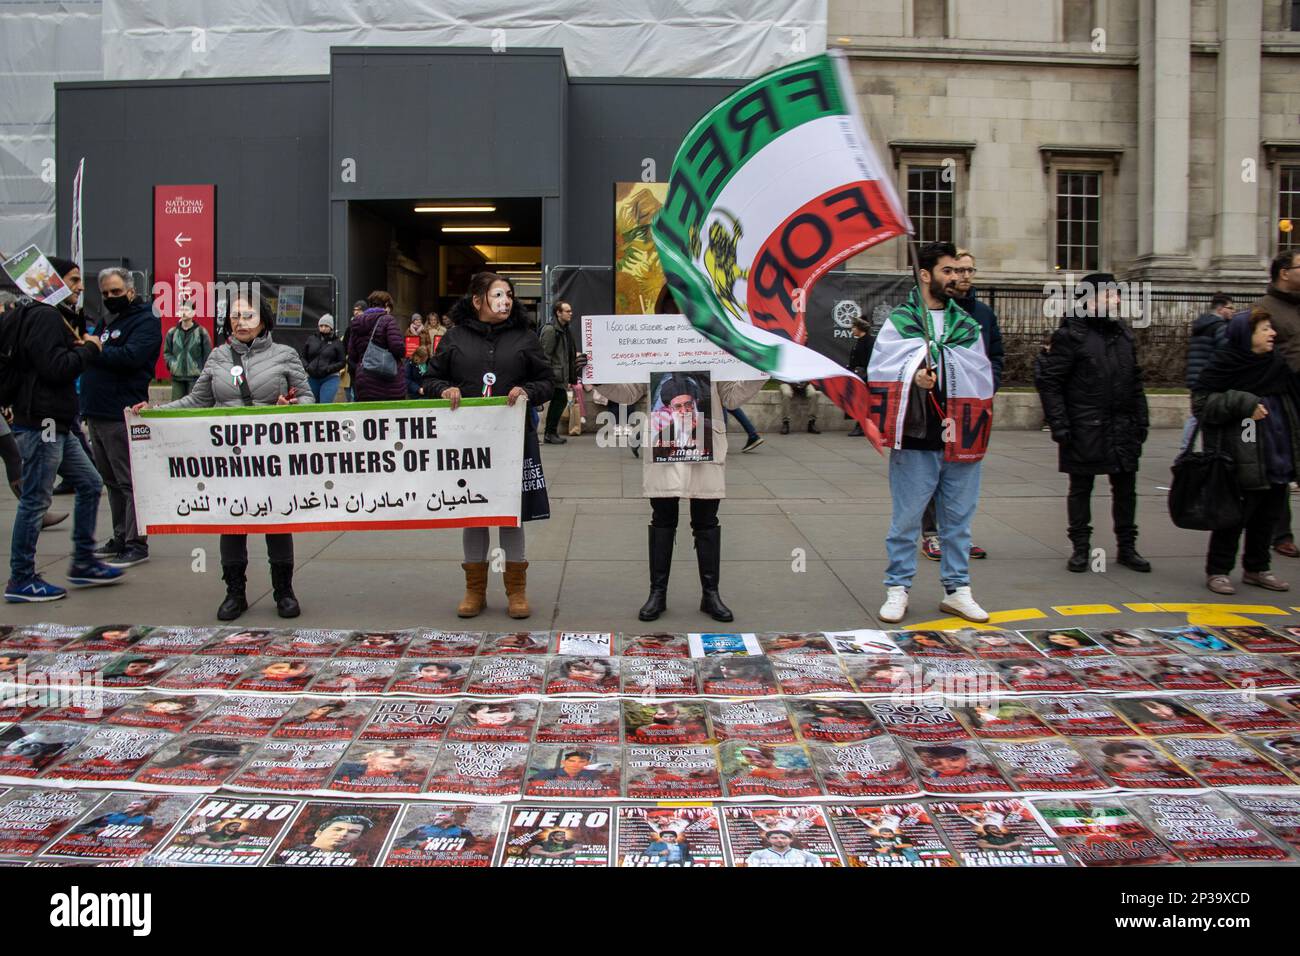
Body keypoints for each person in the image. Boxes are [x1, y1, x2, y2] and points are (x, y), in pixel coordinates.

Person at [136, 293, 312, 619]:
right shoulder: (218, 357)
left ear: (263, 320)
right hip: (226, 461)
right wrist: (155, 412)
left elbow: (308, 400)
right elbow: (195, 401)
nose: (239, 321)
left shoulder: (285, 355)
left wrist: (292, 408)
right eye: (235, 316)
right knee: (232, 523)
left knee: (276, 521)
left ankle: (284, 591)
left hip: (269, 458)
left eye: (247, 315)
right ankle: (235, 592)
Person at [596, 290, 765, 623]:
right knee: (663, 518)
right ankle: (657, 594)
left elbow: (730, 397)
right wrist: (596, 374)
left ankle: (710, 594)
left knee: (706, 520)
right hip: (664, 446)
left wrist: (761, 370)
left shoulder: (717, 341)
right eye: (675, 306)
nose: (682, 313)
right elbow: (630, 391)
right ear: (664, 309)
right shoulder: (652, 342)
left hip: (705, 443)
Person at [870, 241, 993, 625]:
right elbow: (880, 372)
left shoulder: (970, 323)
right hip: (916, 436)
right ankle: (898, 588)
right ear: (925, 275)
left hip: (961, 433)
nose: (958, 278)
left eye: (960, 271)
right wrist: (913, 376)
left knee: (959, 520)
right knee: (907, 519)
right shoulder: (902, 321)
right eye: (948, 271)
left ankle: (957, 590)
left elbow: (982, 372)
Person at [423, 272, 554, 619]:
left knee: (511, 514)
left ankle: (516, 591)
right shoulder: (454, 338)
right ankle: (474, 590)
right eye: (498, 294)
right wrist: (443, 390)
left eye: (509, 295)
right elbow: (430, 378)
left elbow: (547, 381)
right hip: (469, 444)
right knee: (474, 512)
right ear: (477, 300)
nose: (506, 301)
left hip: (514, 443)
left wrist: (528, 391)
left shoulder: (526, 338)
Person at [4, 256, 123, 603]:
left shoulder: (49, 315)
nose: (80, 287)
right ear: (53, 282)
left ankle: (83, 561)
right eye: (72, 281)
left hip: (53, 420)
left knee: (89, 482)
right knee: (36, 499)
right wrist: (89, 349)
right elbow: (56, 369)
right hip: (41, 421)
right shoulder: (43, 316)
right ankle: (21, 577)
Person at [1035, 272, 1151, 574]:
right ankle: (1081, 549)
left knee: (1126, 489)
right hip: (1084, 425)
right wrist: (1059, 424)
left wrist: (1141, 419)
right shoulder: (1070, 334)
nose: (1116, 301)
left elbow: (1135, 380)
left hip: (1122, 424)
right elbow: (1051, 382)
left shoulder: (1123, 333)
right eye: (1109, 295)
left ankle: (1127, 547)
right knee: (1081, 488)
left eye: (1116, 295)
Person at [1192, 308, 1298, 593]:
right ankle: (1218, 570)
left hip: (1277, 456)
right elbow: (1202, 405)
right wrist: (1242, 402)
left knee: (1267, 518)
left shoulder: (1277, 365)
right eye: (1264, 329)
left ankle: (1257, 568)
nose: (1272, 333)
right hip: (1240, 457)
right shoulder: (1224, 365)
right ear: (1246, 335)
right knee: (1232, 517)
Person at [919, 249, 1000, 561]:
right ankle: (932, 534)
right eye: (954, 270)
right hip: (935, 407)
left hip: (970, 409)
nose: (961, 276)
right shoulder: (929, 310)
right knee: (930, 474)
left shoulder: (982, 313)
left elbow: (994, 355)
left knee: (962, 476)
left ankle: (958, 535)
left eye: (968, 270)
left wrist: (987, 389)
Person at [81, 266, 162, 569]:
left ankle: (136, 542)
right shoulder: (106, 321)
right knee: (111, 481)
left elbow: (132, 357)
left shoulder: (146, 321)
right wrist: (94, 346)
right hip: (97, 412)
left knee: (129, 482)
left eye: (116, 292)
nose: (110, 297)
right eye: (105, 294)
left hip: (122, 412)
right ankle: (119, 537)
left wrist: (95, 349)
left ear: (130, 291)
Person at [1252, 251, 1300, 558]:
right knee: (1281, 466)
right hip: (1286, 394)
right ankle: (1280, 533)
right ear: (1284, 272)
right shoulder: (1264, 310)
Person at [1181, 292, 1234, 451]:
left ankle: (1185, 449)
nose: (1233, 312)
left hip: (1195, 378)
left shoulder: (1200, 325)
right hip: (1210, 380)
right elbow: (1225, 353)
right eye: (1230, 308)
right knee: (1206, 418)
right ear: (1220, 309)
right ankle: (1207, 451)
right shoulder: (1219, 327)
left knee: (1195, 417)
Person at [538, 299, 585, 444]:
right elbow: (545, 354)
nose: (570, 313)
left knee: (560, 401)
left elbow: (566, 354)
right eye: (567, 311)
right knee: (560, 400)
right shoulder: (551, 330)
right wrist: (547, 375)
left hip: (561, 374)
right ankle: (549, 433)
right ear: (558, 313)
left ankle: (551, 433)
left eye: (570, 311)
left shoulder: (564, 330)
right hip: (554, 375)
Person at [346, 290, 406, 402]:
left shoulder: (356, 323)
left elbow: (352, 354)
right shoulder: (388, 320)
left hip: (365, 382)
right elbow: (398, 348)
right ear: (387, 305)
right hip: (390, 382)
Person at [162, 301, 213, 400]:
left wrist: (201, 370)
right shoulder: (172, 332)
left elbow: (208, 355)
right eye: (181, 310)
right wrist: (172, 364)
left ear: (194, 312)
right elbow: (167, 352)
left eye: (186, 310)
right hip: (177, 377)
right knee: (176, 408)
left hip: (195, 377)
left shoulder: (201, 332)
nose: (183, 312)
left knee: (194, 407)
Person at [301, 313, 345, 402]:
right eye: (321, 326)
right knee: (312, 404)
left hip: (330, 377)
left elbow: (342, 362)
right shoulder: (311, 339)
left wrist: (329, 369)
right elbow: (302, 356)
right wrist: (307, 367)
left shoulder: (337, 342)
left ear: (331, 327)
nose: (323, 328)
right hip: (312, 377)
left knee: (325, 403)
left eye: (326, 326)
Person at [846, 316, 874, 437]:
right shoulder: (859, 341)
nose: (852, 329)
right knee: (858, 401)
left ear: (860, 328)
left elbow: (871, 360)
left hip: (865, 376)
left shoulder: (869, 342)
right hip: (857, 374)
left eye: (854, 327)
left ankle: (861, 426)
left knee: (862, 401)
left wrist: (867, 375)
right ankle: (861, 425)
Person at [744, 830, 823, 867]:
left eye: (783, 837)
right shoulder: (757, 855)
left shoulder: (808, 856)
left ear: (791, 839)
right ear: (768, 840)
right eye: (774, 838)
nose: (779, 840)